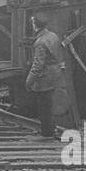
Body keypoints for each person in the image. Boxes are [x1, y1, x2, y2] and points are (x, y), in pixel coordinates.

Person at [25, 9, 65, 139]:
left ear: (35, 24)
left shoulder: (40, 42)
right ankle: (52, 129)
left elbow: (37, 66)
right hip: (56, 74)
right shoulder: (53, 36)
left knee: (44, 106)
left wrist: (29, 81)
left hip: (45, 77)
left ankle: (47, 132)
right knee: (50, 103)